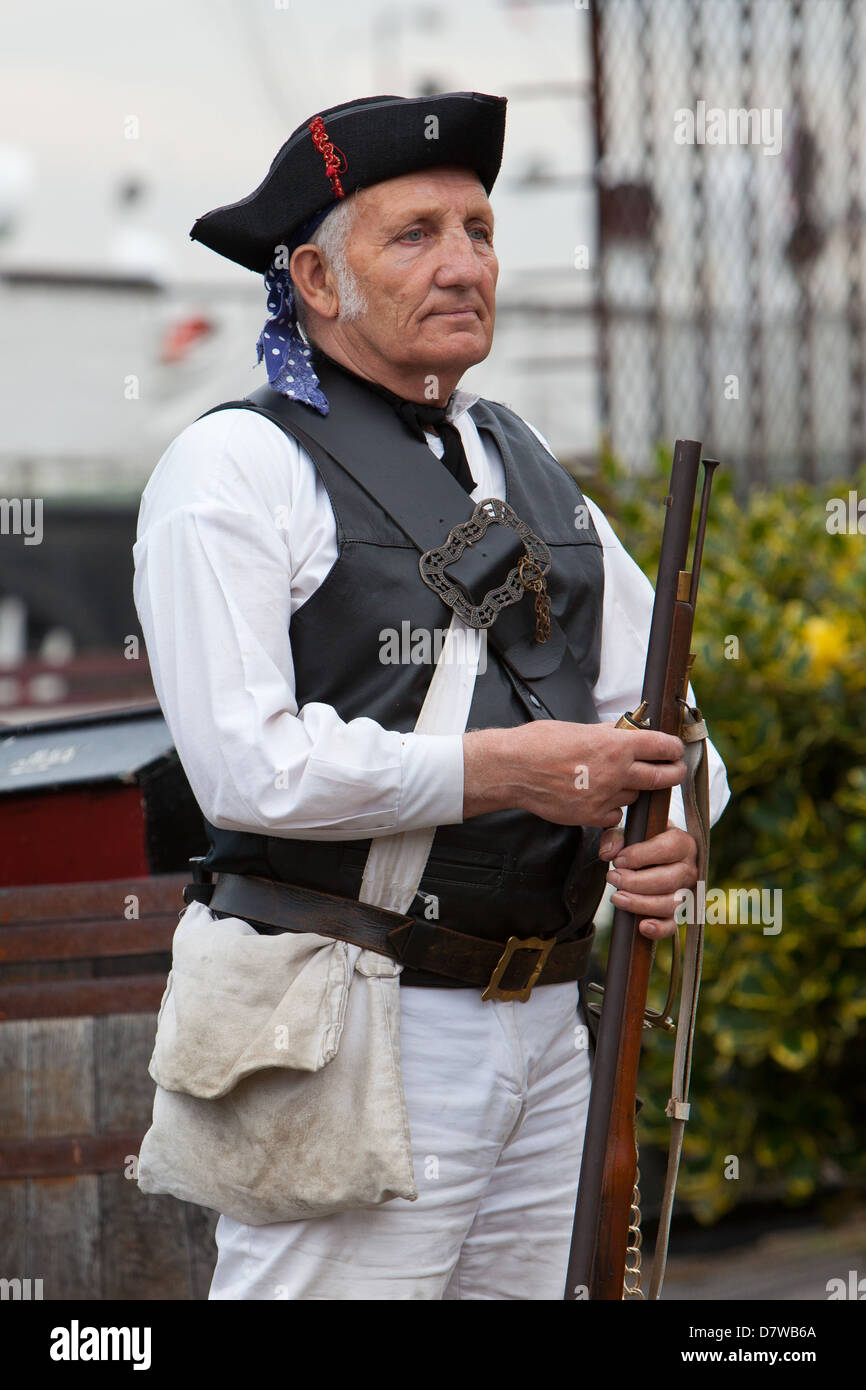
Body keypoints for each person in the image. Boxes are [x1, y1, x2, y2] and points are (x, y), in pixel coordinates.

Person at [133, 91, 730, 1300]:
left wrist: (674, 831)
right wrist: (507, 774)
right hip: (349, 1020)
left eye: (478, 230)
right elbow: (248, 769)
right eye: (415, 234)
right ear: (312, 275)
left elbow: (668, 730)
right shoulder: (232, 467)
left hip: (551, 1023)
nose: (464, 264)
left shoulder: (526, 465)